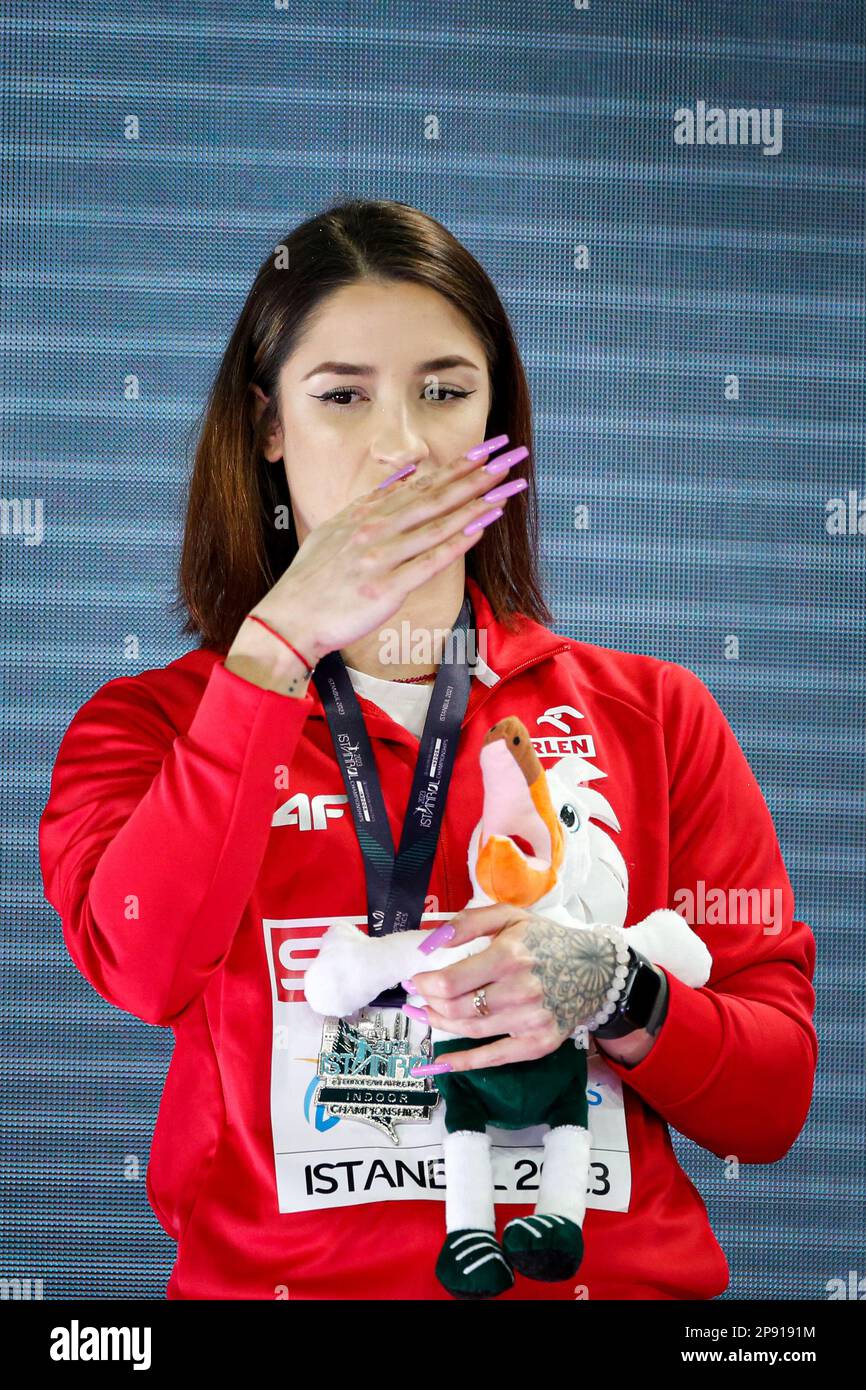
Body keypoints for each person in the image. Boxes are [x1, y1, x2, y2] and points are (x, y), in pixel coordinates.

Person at [38, 198, 817, 1301]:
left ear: (497, 418)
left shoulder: (653, 712)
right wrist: (272, 655)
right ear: (266, 425)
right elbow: (144, 965)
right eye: (342, 395)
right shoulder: (150, 725)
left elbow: (771, 1102)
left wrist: (617, 991)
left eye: (444, 391)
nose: (400, 443)